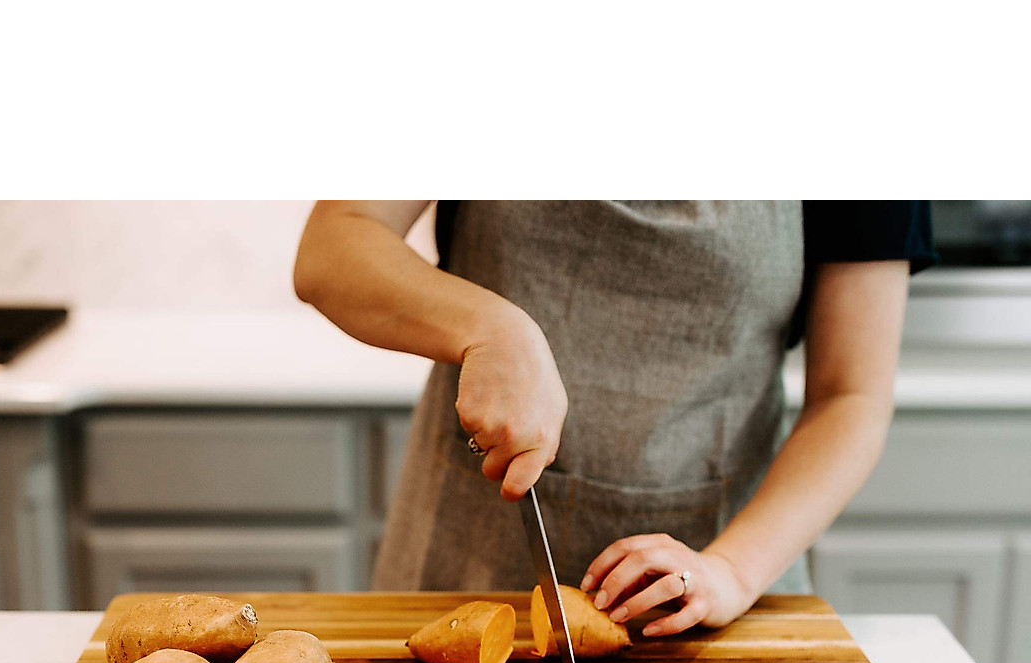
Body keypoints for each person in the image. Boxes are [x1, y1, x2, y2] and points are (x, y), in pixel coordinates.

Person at [293, 201, 935, 637]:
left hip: (721, 583)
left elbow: (851, 396)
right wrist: (486, 325)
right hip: (461, 571)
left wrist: (732, 571)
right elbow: (334, 245)